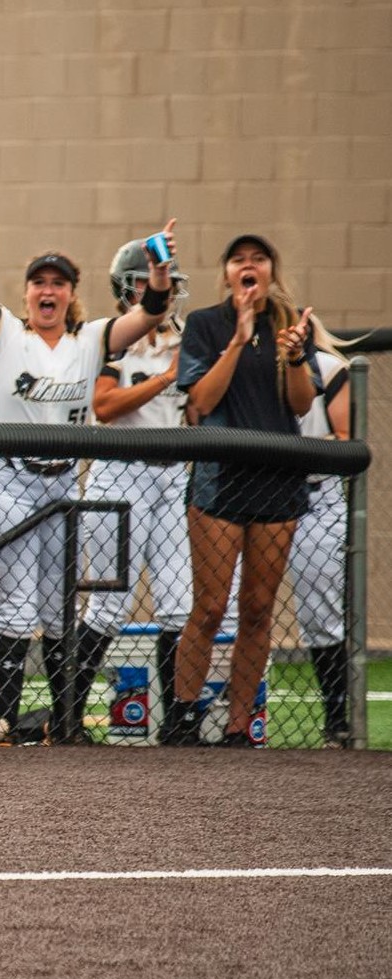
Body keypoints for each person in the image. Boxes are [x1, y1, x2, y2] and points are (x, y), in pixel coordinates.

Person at [0, 188, 177, 743]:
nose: (49, 289)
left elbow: (151, 314)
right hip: (6, 477)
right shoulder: (3, 337)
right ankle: (9, 726)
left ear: (70, 294)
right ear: (27, 293)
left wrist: (159, 275)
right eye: (40, 282)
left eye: (58, 282)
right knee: (18, 605)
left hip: (63, 481)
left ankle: (63, 723)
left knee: (58, 607)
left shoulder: (89, 340)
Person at [171, 234, 318, 747]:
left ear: (271, 270)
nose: (248, 266)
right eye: (239, 259)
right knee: (210, 606)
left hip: (278, 479)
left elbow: (301, 405)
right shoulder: (205, 324)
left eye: (258, 259)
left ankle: (238, 725)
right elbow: (201, 402)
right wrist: (237, 337)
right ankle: (183, 717)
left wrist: (296, 356)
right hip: (221, 478)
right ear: (227, 272)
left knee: (258, 607)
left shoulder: (292, 325)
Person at [64, 239, 196, 736]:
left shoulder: (181, 337)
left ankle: (179, 722)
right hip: (120, 469)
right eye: (143, 280)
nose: (158, 290)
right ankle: (70, 715)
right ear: (125, 286)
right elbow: (106, 405)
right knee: (109, 604)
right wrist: (166, 378)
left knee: (179, 603)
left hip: (170, 473)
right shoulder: (112, 340)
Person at [287, 315, 353, 747]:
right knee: (236, 608)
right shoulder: (246, 363)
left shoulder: (327, 368)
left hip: (316, 493)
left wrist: (289, 454)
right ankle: (226, 721)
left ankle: (337, 721)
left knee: (320, 614)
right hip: (258, 490)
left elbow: (344, 437)